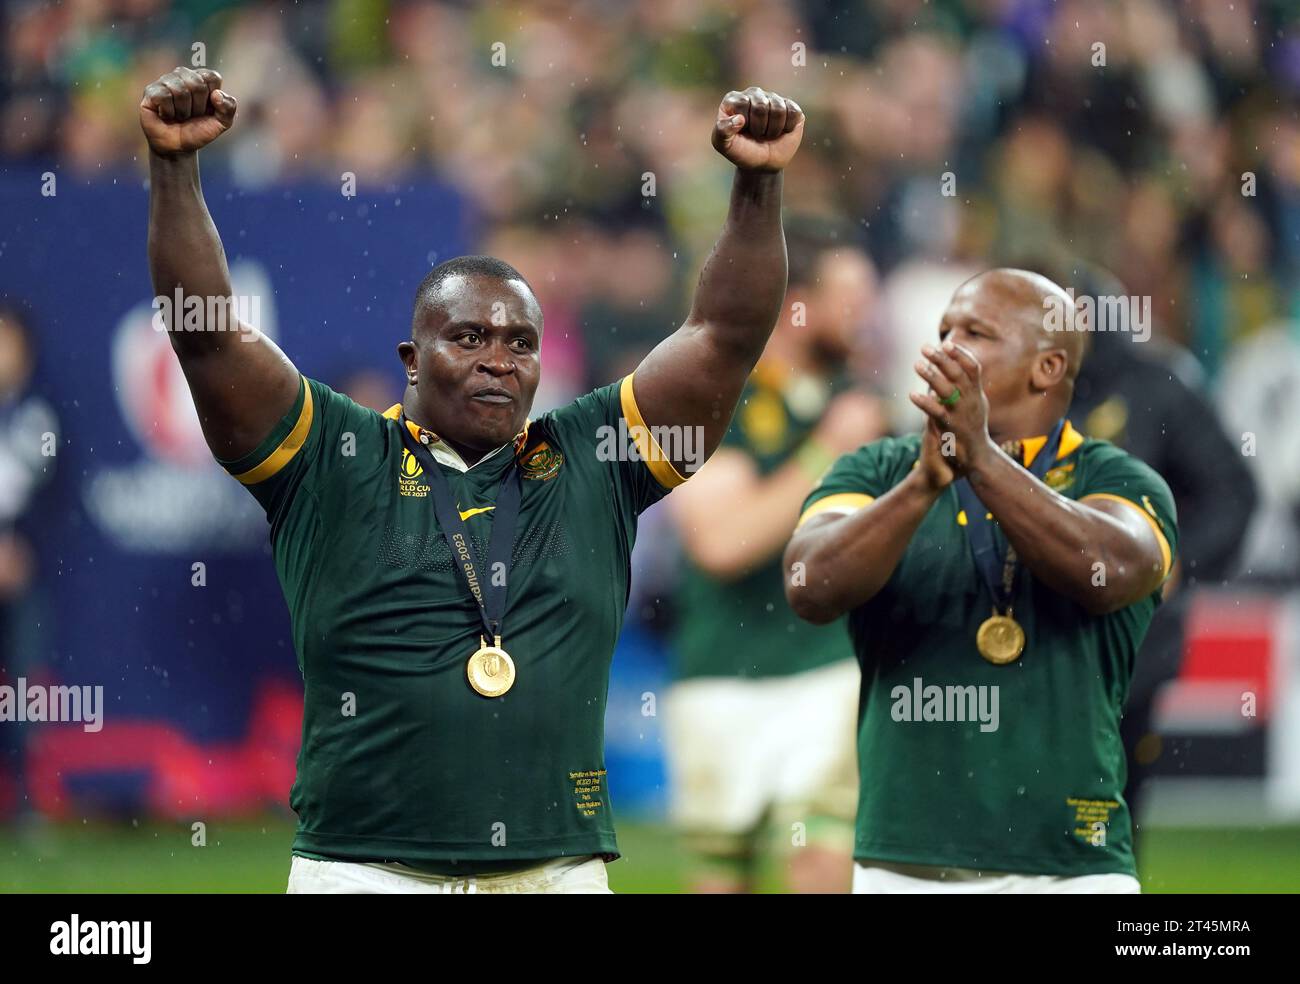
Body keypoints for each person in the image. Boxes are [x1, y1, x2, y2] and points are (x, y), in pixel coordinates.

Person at [139, 66, 805, 894]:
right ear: (412, 360)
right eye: (469, 338)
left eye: (521, 343)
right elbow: (207, 336)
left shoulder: (595, 456)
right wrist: (174, 166)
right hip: (365, 873)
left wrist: (758, 185)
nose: (499, 360)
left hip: (556, 872)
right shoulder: (333, 457)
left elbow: (723, 338)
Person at [784, 269, 1178, 893]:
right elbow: (809, 586)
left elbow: (1111, 572)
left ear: (1047, 368)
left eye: (975, 332)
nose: (945, 347)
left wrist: (981, 459)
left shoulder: (1117, 479)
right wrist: (921, 487)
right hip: (906, 866)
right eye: (943, 329)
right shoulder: (880, 470)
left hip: (1072, 868)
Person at [665, 232, 885, 893]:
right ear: (796, 305)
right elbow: (721, 544)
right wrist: (826, 454)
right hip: (722, 671)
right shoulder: (709, 398)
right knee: (721, 878)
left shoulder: (864, 401)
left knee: (822, 855)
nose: (864, 314)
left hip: (827, 666)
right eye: (848, 297)